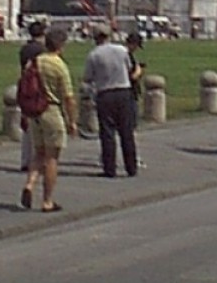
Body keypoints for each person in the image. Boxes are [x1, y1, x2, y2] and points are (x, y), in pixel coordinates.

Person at [20, 27, 77, 212]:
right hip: (51, 111)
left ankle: (30, 184)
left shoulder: (35, 61)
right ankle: (47, 200)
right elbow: (68, 97)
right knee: (52, 157)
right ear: (61, 46)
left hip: (34, 113)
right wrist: (72, 121)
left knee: (38, 153)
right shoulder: (59, 65)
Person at [83, 25, 138, 177]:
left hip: (105, 93)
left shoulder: (93, 55)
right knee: (126, 132)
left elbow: (88, 77)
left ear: (95, 38)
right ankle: (131, 167)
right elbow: (129, 68)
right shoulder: (122, 50)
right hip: (123, 91)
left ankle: (110, 169)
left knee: (107, 133)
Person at [18, 20, 47, 171]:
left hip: (24, 86)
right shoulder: (43, 50)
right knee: (40, 125)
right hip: (39, 88)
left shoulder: (24, 49)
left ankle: (25, 159)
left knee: (27, 124)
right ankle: (38, 159)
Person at [125, 31, 147, 168]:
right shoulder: (127, 56)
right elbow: (132, 76)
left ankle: (105, 156)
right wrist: (139, 71)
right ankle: (134, 157)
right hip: (129, 94)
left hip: (123, 93)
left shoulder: (122, 54)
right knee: (131, 127)